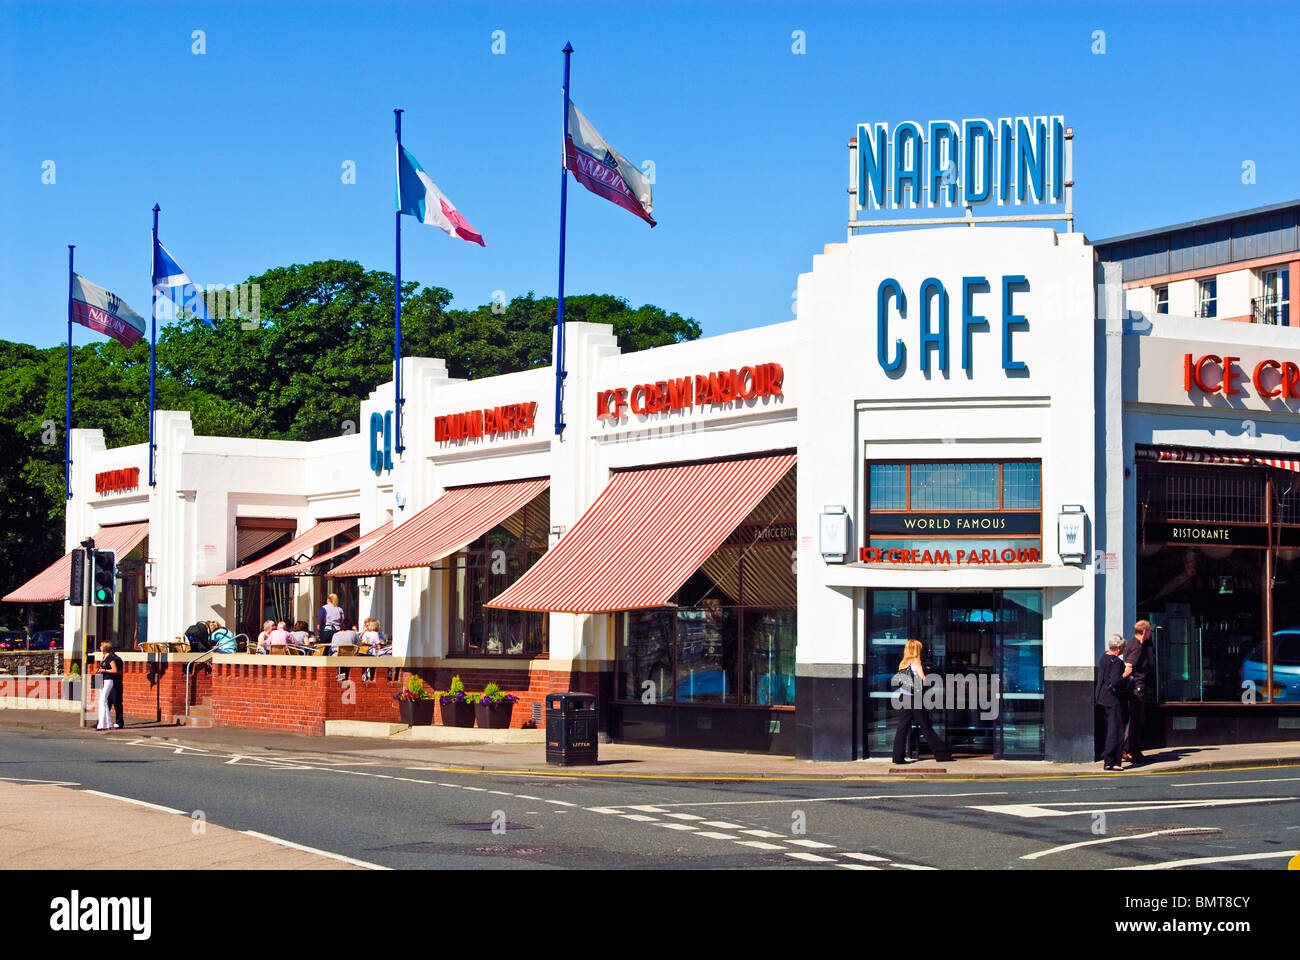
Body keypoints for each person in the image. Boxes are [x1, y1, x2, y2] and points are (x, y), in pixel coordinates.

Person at [892, 639, 953, 764]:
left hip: (904, 697)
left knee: (902, 728)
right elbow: (923, 679)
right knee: (926, 726)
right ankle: (941, 755)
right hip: (915, 698)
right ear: (916, 649)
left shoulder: (903, 662)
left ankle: (897, 757)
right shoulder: (916, 660)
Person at [1096, 634, 1130, 771]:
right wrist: (1126, 673)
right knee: (1116, 731)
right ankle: (1112, 761)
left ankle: (1109, 760)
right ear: (1118, 648)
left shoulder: (1104, 657)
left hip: (1102, 698)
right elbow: (1116, 681)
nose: (1123, 650)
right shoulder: (1116, 662)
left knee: (1109, 729)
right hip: (1113, 699)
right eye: (1122, 648)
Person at [1122, 619, 1152, 764]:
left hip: (1135, 687)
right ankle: (1130, 750)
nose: (1150, 633)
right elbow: (1129, 666)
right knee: (1135, 720)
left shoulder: (1131, 644)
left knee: (1134, 720)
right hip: (1137, 687)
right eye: (1150, 631)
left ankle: (1129, 749)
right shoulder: (1137, 647)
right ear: (1145, 632)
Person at [97, 641, 124, 730]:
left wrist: (104, 670)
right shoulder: (104, 657)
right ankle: (104, 722)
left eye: (101, 646)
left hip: (115, 683)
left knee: (116, 702)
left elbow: (117, 671)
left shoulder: (114, 658)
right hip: (105, 682)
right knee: (106, 702)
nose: (100, 647)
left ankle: (119, 722)